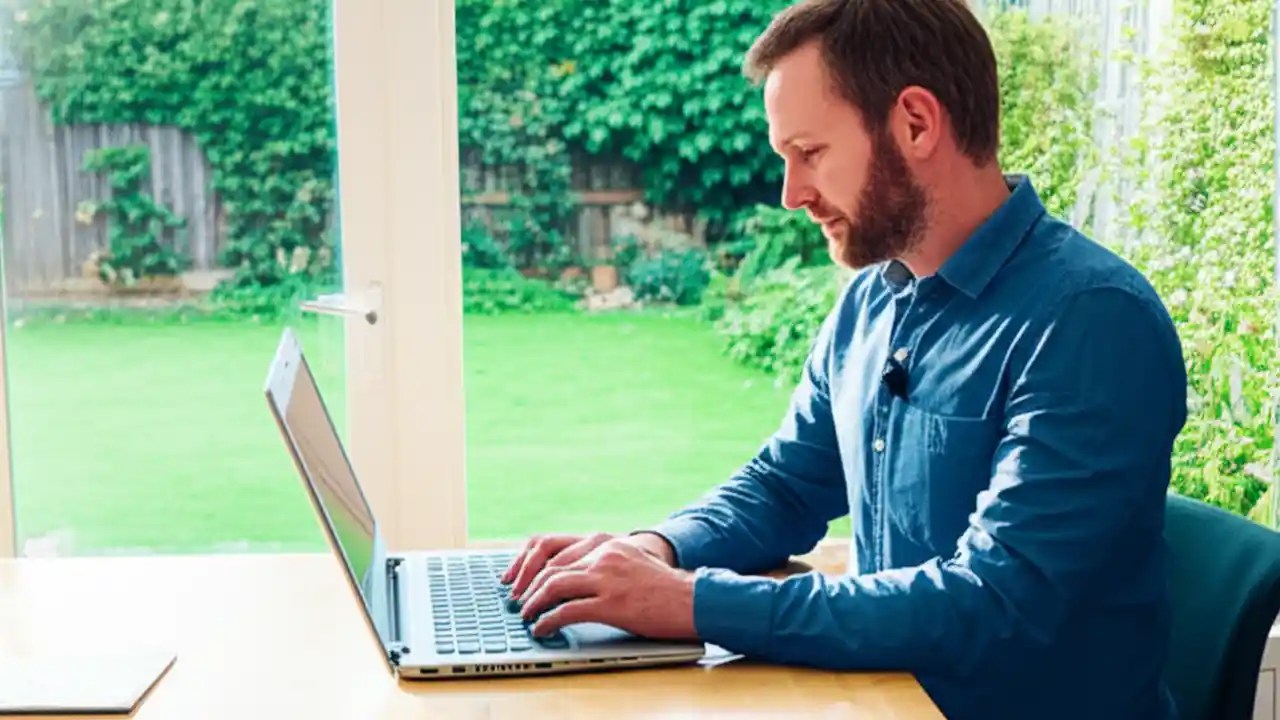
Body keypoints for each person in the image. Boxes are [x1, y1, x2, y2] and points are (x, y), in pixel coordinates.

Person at [501, 0, 1188, 717]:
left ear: (916, 123)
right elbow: (787, 486)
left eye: (811, 153)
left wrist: (696, 603)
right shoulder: (872, 301)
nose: (791, 194)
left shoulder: (1091, 321)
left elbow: (993, 602)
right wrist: (656, 551)